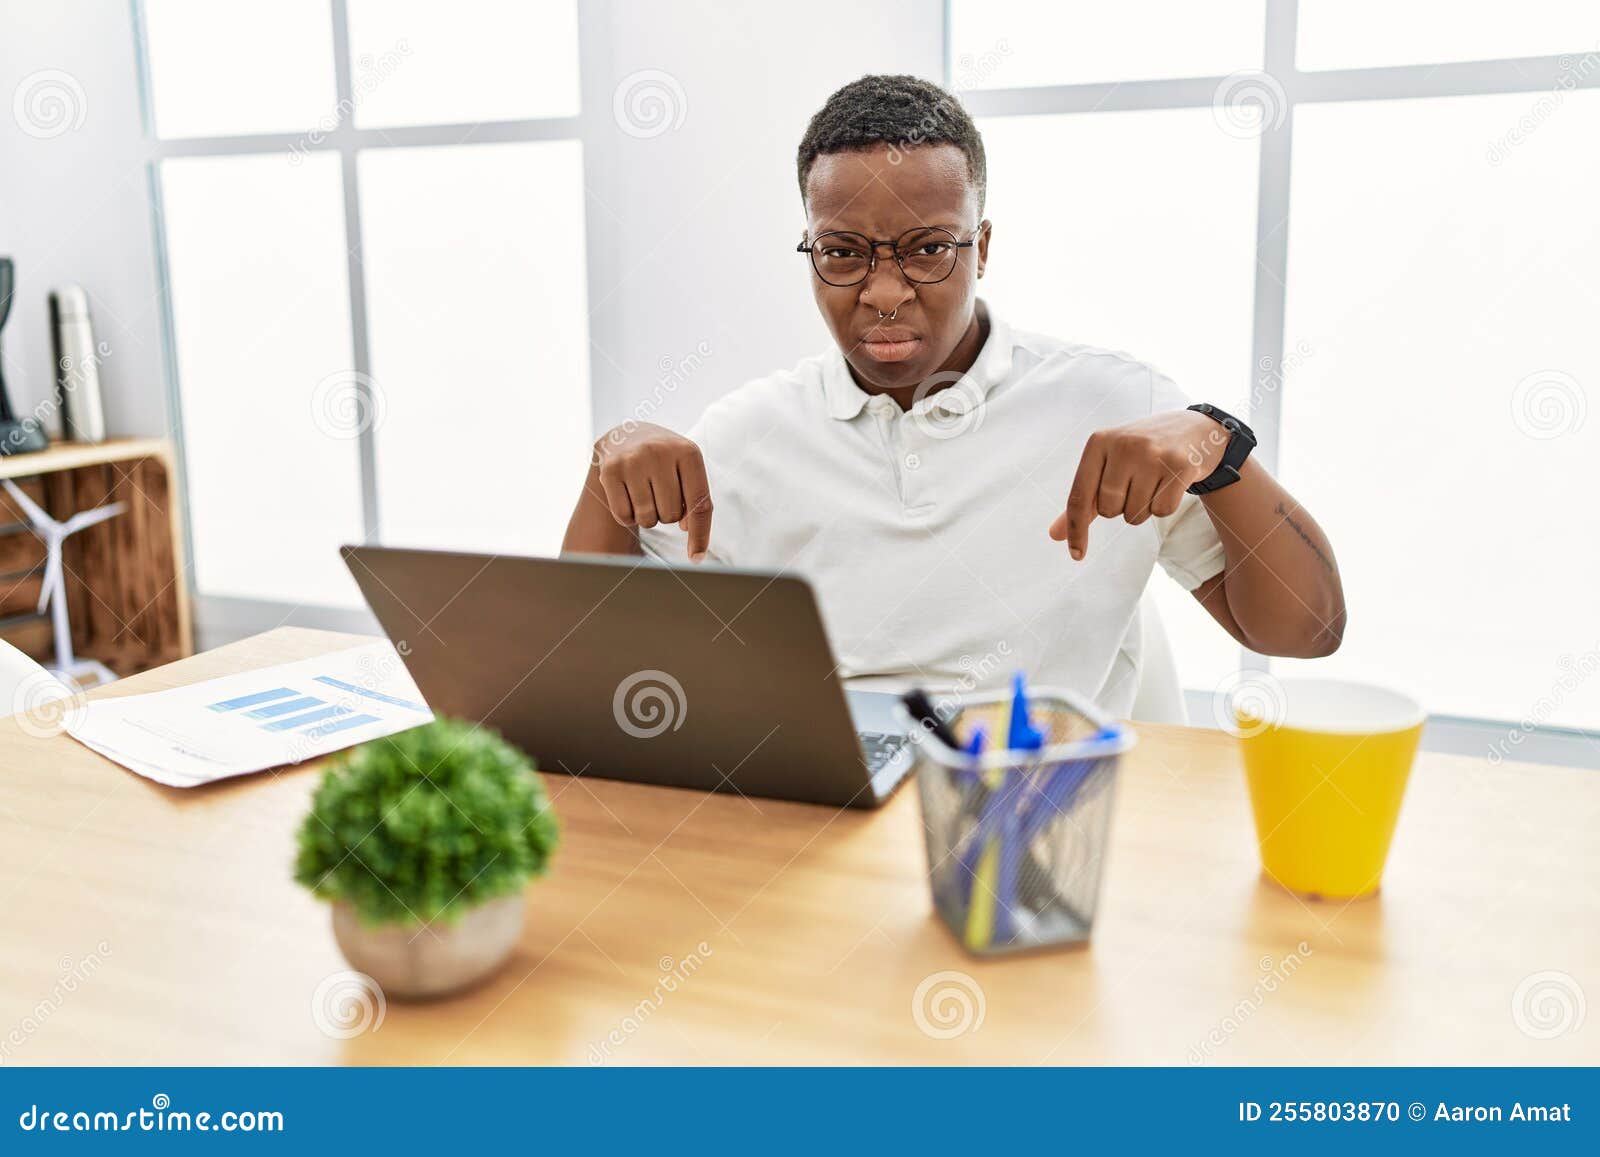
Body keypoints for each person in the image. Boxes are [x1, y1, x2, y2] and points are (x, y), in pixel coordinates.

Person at [563, 74, 1344, 717]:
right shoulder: (744, 435)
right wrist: (606, 472)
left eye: (929, 249)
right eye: (842, 253)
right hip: (833, 825)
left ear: (984, 247)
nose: (885, 292)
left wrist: (1218, 444)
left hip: (1055, 811)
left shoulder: (1112, 402)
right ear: (810, 249)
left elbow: (1307, 630)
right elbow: (582, 662)